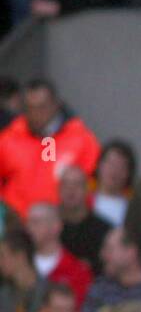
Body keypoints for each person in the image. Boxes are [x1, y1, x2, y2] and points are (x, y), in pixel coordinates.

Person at [0, 79, 101, 222]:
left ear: (56, 104)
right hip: (19, 227)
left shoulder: (82, 140)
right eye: (30, 108)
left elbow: (95, 185)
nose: (35, 114)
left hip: (66, 225)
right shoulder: (8, 140)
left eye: (41, 107)